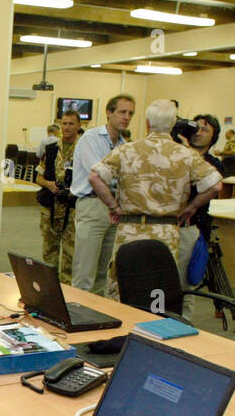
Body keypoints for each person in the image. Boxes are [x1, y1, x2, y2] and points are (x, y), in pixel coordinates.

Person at [89, 99, 223, 301]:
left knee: (122, 289)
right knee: (159, 290)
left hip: (130, 231)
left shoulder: (127, 150)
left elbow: (95, 177)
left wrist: (114, 206)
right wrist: (192, 207)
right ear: (172, 125)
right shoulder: (186, 154)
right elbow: (215, 185)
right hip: (166, 232)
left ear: (147, 123)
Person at [70, 94, 135, 295]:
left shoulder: (124, 145)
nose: (126, 117)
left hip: (113, 206)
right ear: (109, 112)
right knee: (84, 272)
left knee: (102, 274)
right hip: (92, 205)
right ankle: (77, 314)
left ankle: (95, 317)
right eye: (122, 112)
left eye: (130, 113)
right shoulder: (91, 138)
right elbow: (98, 175)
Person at [176, 113, 225, 321]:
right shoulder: (176, 155)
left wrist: (193, 206)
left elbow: (208, 185)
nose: (199, 133)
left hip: (190, 228)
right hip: (166, 227)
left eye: (205, 129)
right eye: (196, 127)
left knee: (185, 285)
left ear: (214, 137)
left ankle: (183, 324)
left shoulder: (214, 165)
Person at [35, 110, 81, 282]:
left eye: (71, 124)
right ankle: (50, 287)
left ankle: (67, 291)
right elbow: (38, 177)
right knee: (49, 252)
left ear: (78, 126)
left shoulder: (84, 149)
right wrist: (49, 185)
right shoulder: (51, 149)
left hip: (72, 209)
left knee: (70, 255)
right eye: (64, 123)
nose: (67, 127)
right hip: (50, 208)